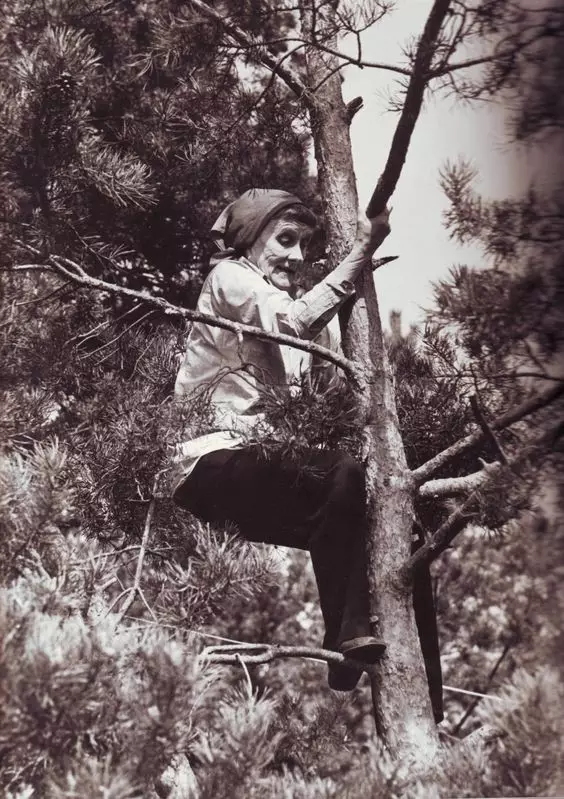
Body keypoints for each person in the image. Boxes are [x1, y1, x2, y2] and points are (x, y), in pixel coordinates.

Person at [171, 189, 443, 716]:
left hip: (249, 473)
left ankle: (426, 702)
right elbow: (294, 322)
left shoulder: (270, 297)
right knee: (344, 476)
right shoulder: (231, 278)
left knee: (399, 524)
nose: (297, 257)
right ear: (250, 240)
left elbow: (319, 408)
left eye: (304, 245)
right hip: (208, 464)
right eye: (285, 240)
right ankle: (344, 629)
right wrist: (360, 252)